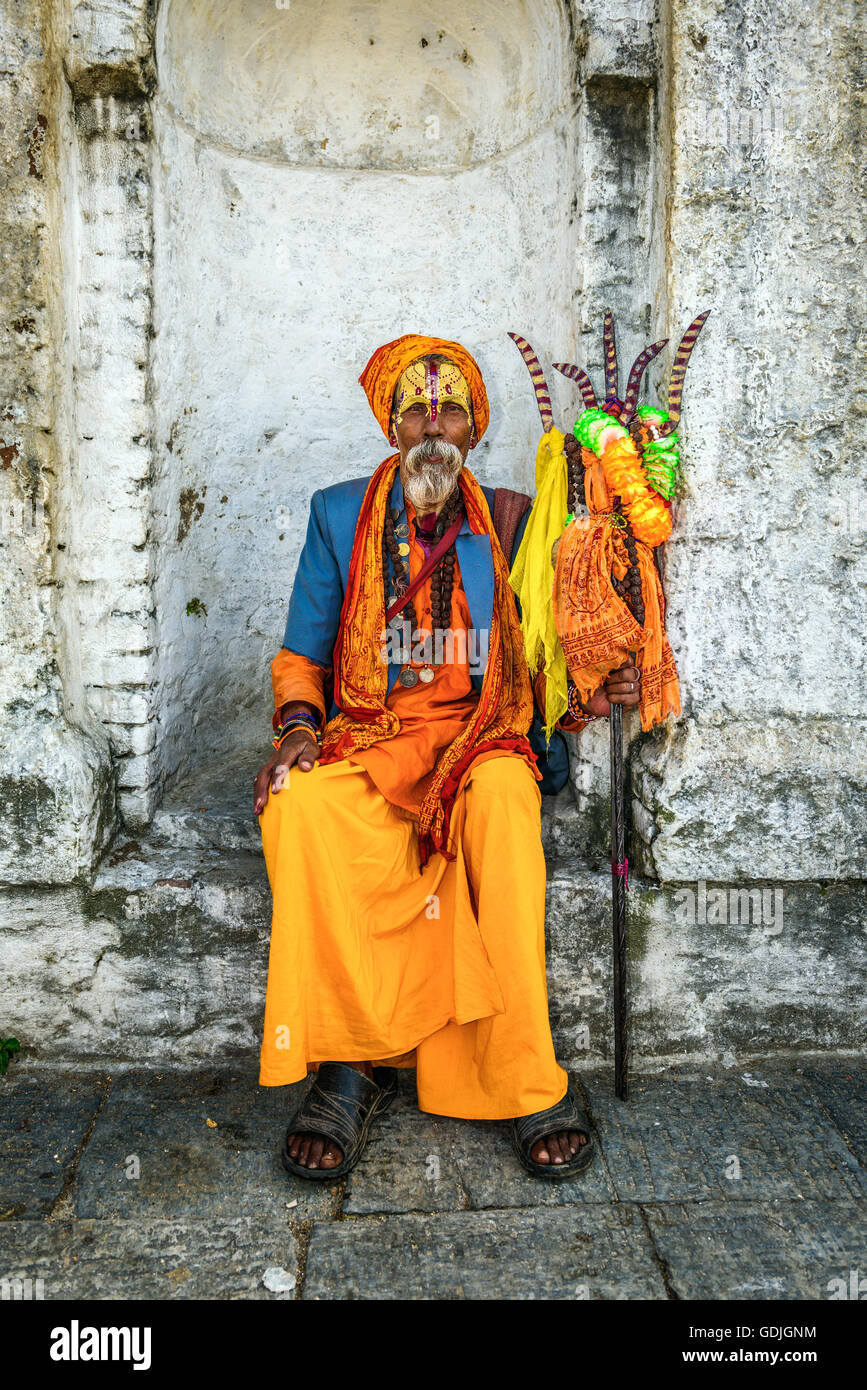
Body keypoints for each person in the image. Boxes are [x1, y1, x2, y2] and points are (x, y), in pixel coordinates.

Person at [253, 335, 640, 1182]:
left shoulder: (508, 517)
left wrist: (599, 663)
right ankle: (351, 1063)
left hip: (483, 736)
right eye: (416, 409)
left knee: (504, 810)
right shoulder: (336, 513)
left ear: (473, 424)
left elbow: (549, 643)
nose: (434, 423)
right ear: (391, 425)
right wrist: (295, 730)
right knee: (301, 807)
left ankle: (520, 1077)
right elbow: (301, 654)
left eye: (451, 407)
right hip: (373, 735)